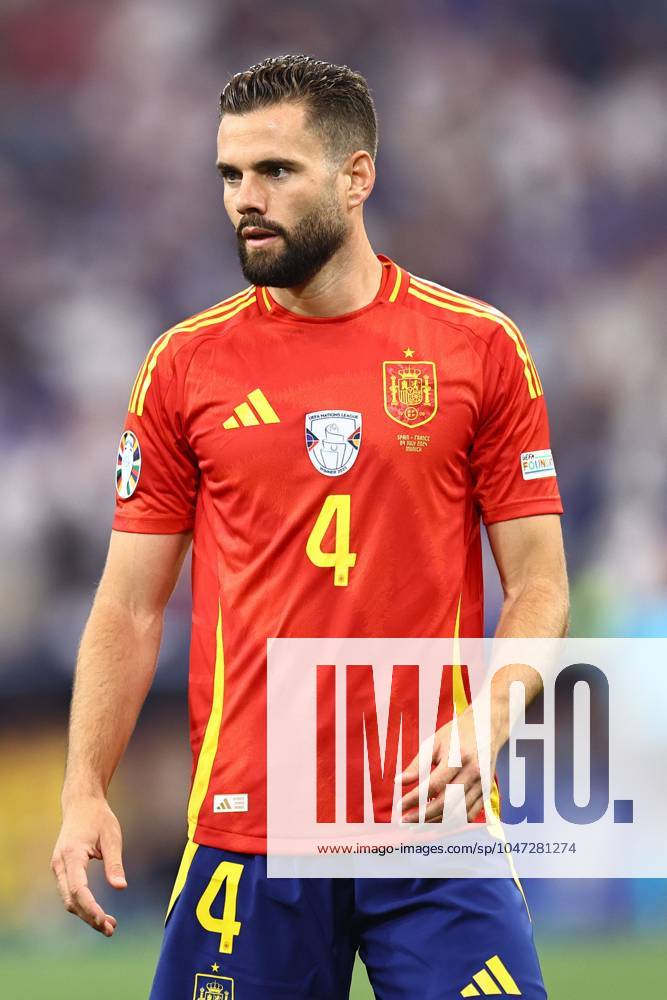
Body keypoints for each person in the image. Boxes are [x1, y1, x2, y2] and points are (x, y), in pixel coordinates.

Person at [51, 54, 569, 999]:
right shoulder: (184, 366)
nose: (246, 198)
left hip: (430, 820)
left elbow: (538, 581)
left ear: (356, 176)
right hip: (251, 826)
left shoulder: (478, 349)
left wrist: (489, 717)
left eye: (275, 172)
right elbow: (130, 604)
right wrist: (86, 785)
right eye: (230, 176)